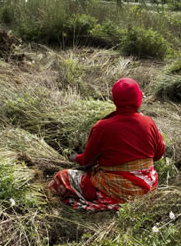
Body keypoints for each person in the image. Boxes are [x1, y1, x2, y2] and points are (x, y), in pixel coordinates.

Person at [48, 77, 165, 211]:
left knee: (62, 177)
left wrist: (76, 158)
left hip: (118, 192)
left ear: (115, 100)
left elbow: (88, 160)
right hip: (147, 190)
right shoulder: (149, 123)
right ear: (138, 98)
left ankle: (51, 202)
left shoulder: (102, 127)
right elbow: (158, 155)